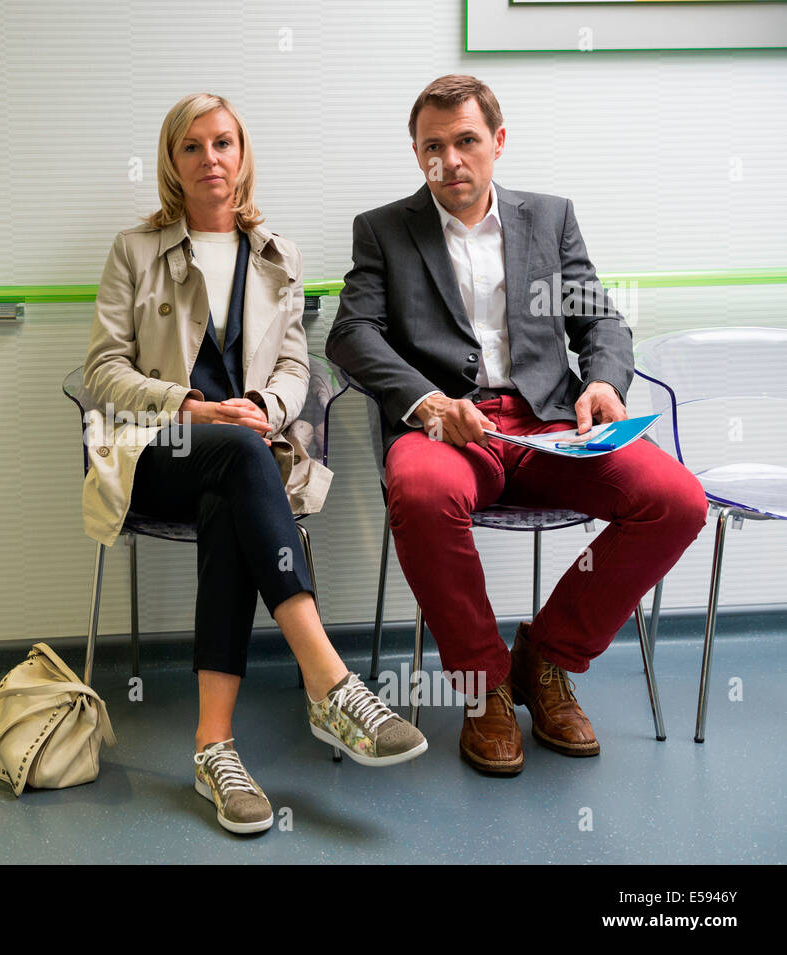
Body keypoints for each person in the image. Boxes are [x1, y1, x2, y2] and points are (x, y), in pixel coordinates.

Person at [326, 74, 708, 776]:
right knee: (417, 489)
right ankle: (484, 684)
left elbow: (600, 320)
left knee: (676, 500)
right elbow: (352, 333)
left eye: (466, 141)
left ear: (497, 142)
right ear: (417, 156)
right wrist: (430, 404)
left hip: (550, 427)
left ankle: (549, 658)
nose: (451, 161)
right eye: (432, 147)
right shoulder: (383, 230)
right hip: (451, 430)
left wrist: (601, 381)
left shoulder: (550, 217)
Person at [82, 93, 427, 833]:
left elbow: (299, 367)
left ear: (243, 156)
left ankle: (214, 749)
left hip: (245, 460)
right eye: (192, 147)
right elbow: (104, 372)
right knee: (240, 459)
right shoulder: (133, 251)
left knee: (234, 491)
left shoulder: (278, 255)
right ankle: (329, 682)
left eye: (223, 143)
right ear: (173, 165)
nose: (211, 158)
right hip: (157, 450)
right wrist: (195, 407)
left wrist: (266, 409)